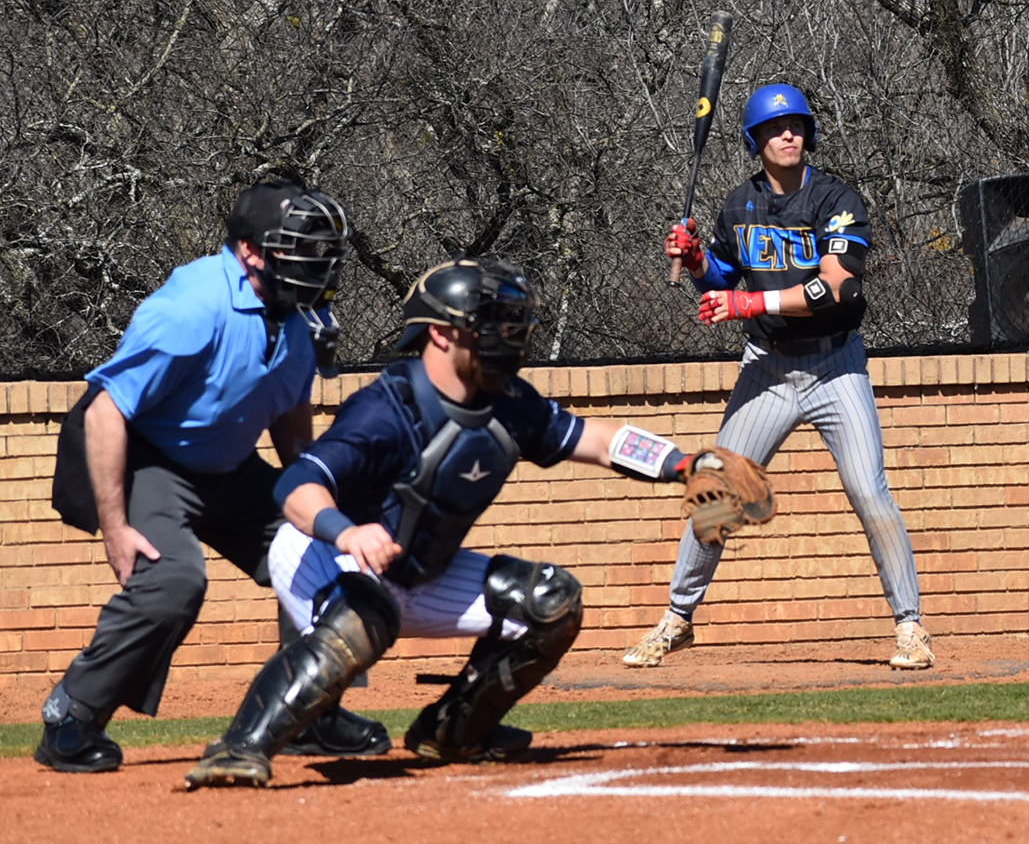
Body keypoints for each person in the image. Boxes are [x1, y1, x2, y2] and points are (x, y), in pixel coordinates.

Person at [183, 258, 755, 788]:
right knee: (367, 617)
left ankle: (452, 732)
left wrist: (684, 463)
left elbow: (596, 440)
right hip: (327, 556)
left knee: (552, 601)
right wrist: (347, 531)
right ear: (438, 332)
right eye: (487, 322)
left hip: (418, 567)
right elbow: (296, 487)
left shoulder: (507, 399)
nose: (505, 334)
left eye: (510, 322)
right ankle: (240, 747)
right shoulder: (389, 408)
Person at [34, 181, 386, 773]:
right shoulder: (192, 308)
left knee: (327, 558)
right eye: (303, 248)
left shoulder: (298, 314)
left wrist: (318, 491)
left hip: (227, 465)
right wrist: (115, 526)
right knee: (171, 582)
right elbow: (105, 410)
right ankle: (71, 715)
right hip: (147, 457)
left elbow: (289, 411)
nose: (320, 263)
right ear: (250, 251)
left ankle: (308, 712)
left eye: (325, 250)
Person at [624, 82, 929, 671]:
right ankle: (677, 620)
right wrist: (694, 261)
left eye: (796, 125)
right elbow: (717, 279)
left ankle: (910, 627)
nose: (788, 134)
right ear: (755, 140)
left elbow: (836, 286)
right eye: (774, 127)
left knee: (869, 491)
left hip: (834, 363)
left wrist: (747, 305)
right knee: (715, 490)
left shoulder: (837, 199)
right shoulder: (739, 206)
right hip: (767, 367)